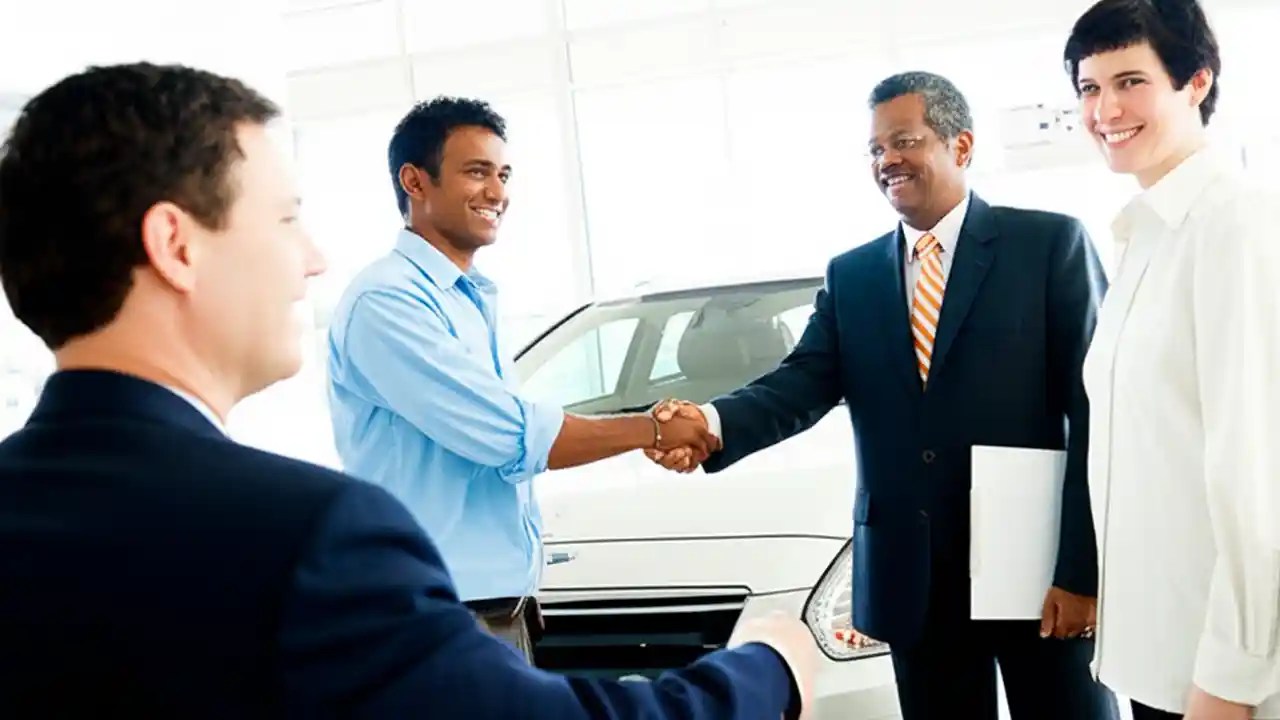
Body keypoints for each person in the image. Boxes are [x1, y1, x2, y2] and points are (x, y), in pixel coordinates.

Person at [0, 62, 814, 719]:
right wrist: (768, 671)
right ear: (176, 245)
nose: (313, 259)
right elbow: (507, 435)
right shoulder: (312, 537)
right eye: (285, 220)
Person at [649, 71, 1118, 720]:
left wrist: (1083, 570)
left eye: (904, 140)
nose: (886, 160)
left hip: (1036, 567)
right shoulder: (854, 274)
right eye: (874, 149)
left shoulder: (1047, 245)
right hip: (913, 578)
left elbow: (1098, 412)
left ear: (961, 146)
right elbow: (799, 384)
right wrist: (709, 421)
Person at [324, 96, 718, 659]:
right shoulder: (387, 302)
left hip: (491, 606)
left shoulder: (468, 298)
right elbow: (509, 435)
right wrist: (655, 430)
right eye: (476, 171)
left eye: (503, 174)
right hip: (430, 614)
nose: (497, 192)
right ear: (415, 181)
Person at [1063, 1, 1280, 718]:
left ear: (1195, 82)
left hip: (1219, 676)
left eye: (1130, 81)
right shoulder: (1145, 234)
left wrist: (1230, 679)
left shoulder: (1235, 223)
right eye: (1089, 88)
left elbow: (1256, 476)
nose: (1105, 109)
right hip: (1156, 659)